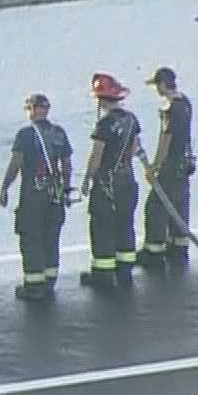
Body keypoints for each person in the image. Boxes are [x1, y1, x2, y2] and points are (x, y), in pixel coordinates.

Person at [0, 92, 73, 300]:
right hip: (55, 193)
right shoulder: (59, 133)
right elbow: (66, 165)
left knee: (31, 237)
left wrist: (4, 187)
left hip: (34, 193)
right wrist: (66, 189)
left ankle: (34, 285)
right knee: (51, 237)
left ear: (32, 109)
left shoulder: (26, 134)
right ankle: (49, 281)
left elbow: (16, 164)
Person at [79, 72, 144, 292]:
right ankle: (125, 269)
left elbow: (96, 157)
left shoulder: (104, 126)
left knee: (102, 226)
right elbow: (135, 148)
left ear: (101, 100)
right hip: (127, 178)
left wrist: (87, 180)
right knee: (125, 223)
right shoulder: (131, 120)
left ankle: (103, 273)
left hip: (107, 182)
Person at [140, 65, 196, 273]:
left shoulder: (170, 108)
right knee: (180, 203)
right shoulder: (185, 102)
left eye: (157, 85)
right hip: (184, 162)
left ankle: (154, 252)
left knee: (156, 205)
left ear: (163, 84)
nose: (157, 90)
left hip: (171, 164)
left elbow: (166, 139)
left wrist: (154, 166)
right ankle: (179, 247)